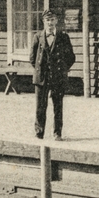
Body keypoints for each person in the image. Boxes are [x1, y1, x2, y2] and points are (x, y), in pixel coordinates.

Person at [30, 10, 75, 141]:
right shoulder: (38, 36)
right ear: (43, 21)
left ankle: (57, 133)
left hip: (58, 77)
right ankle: (39, 133)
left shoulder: (63, 37)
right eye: (47, 20)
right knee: (40, 106)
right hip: (42, 77)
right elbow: (32, 58)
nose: (50, 23)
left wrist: (62, 70)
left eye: (52, 20)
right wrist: (41, 70)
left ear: (56, 21)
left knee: (58, 106)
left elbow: (71, 57)